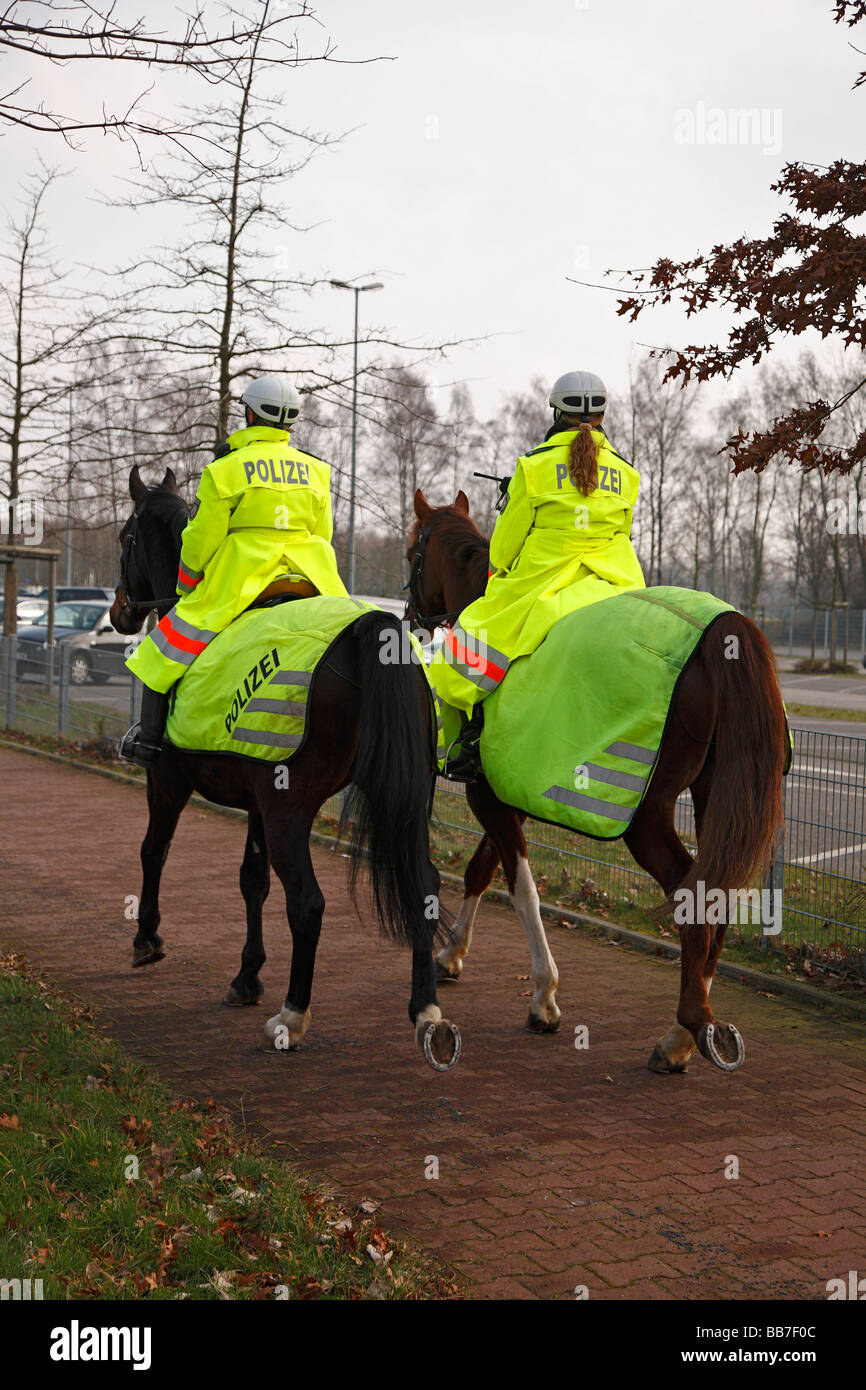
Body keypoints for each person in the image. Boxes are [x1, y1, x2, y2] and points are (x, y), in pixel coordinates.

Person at [120, 374, 348, 766]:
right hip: (313, 578)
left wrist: (189, 586)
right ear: (289, 423)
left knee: (161, 650)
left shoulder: (224, 470)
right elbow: (322, 534)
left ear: (248, 414)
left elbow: (199, 543)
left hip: (243, 580)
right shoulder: (317, 472)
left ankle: (150, 742)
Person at [436, 370, 646, 781]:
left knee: (465, 643)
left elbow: (503, 550)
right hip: (617, 583)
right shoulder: (628, 473)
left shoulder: (533, 467)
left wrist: (501, 572)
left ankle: (469, 743)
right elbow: (622, 532)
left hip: (543, 583)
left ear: (556, 410)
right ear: (602, 413)